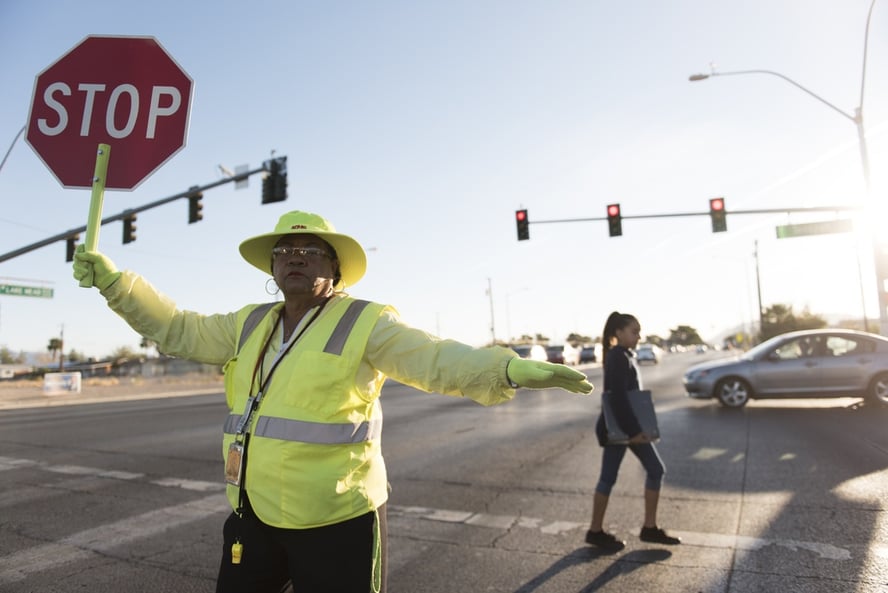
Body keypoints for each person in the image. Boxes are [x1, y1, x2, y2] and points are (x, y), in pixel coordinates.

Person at [72, 210, 593, 593]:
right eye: (284, 252)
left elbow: (434, 359)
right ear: (272, 268)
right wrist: (117, 285)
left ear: (335, 270)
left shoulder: (366, 320)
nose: (295, 257)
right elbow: (176, 328)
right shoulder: (249, 322)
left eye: (312, 251)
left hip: (337, 521)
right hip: (253, 516)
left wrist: (506, 367)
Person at [584, 311, 680, 551]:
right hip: (621, 430)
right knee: (615, 477)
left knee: (651, 471)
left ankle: (647, 528)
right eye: (634, 331)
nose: (638, 336)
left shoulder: (623, 355)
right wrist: (634, 431)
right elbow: (616, 398)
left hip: (624, 428)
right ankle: (597, 531)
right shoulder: (618, 357)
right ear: (619, 332)